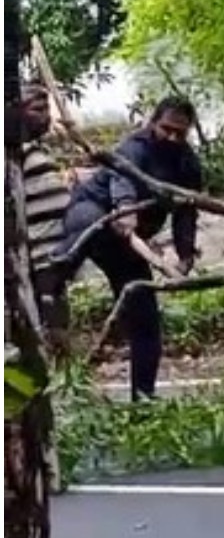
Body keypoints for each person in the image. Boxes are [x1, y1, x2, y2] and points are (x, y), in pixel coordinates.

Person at [57, 95, 204, 401]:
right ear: (153, 124)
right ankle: (49, 285)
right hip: (96, 215)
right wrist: (126, 209)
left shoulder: (188, 162)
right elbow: (121, 178)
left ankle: (144, 400)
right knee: (74, 246)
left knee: (145, 317)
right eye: (167, 129)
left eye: (181, 132)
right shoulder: (133, 147)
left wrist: (185, 254)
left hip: (127, 246)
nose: (173, 137)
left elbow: (186, 210)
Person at [15, 85, 73, 362]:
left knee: (59, 317)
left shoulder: (37, 148)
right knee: (51, 325)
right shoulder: (13, 154)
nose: (46, 117)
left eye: (47, 109)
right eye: (37, 110)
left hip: (56, 251)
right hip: (37, 254)